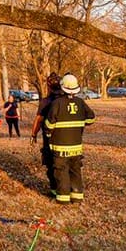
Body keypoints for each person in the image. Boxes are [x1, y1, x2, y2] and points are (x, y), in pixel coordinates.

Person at [44, 73, 96, 205]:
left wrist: (48, 134)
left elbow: (49, 124)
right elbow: (91, 118)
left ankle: (63, 198)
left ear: (63, 87)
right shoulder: (80, 103)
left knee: (61, 171)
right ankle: (77, 196)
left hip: (60, 146)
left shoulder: (57, 103)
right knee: (75, 170)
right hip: (76, 146)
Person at [30, 72, 64, 197]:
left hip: (49, 137)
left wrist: (33, 135)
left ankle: (55, 189)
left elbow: (38, 120)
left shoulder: (46, 101)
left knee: (51, 164)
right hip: (67, 139)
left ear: (48, 86)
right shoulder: (66, 100)